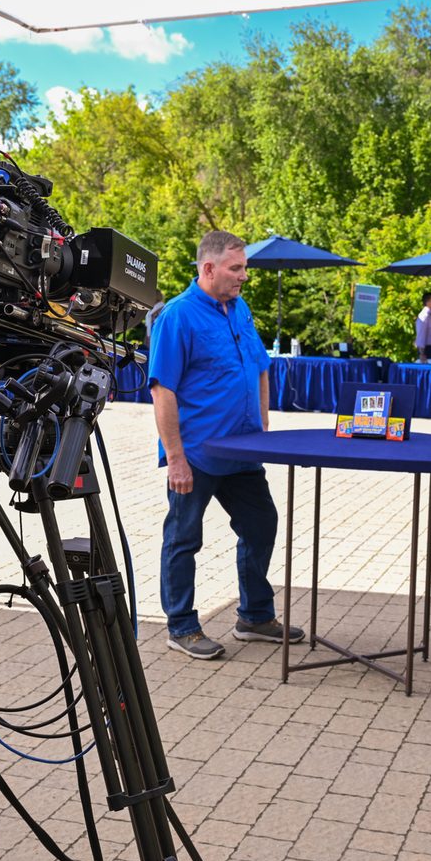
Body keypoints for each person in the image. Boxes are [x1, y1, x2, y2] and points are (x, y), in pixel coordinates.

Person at [149, 229, 303, 660]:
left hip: (242, 452)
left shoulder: (240, 309)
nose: (244, 276)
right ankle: (181, 626)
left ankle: (254, 616)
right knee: (183, 538)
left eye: (245, 268)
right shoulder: (177, 316)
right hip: (197, 454)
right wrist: (176, 459)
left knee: (261, 524)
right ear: (208, 268)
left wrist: (263, 427)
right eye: (236, 269)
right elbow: (163, 391)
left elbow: (260, 367)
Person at [415, 291, 431, 360]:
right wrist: (421, 353)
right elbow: (421, 334)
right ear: (427, 302)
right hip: (427, 349)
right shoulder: (424, 316)